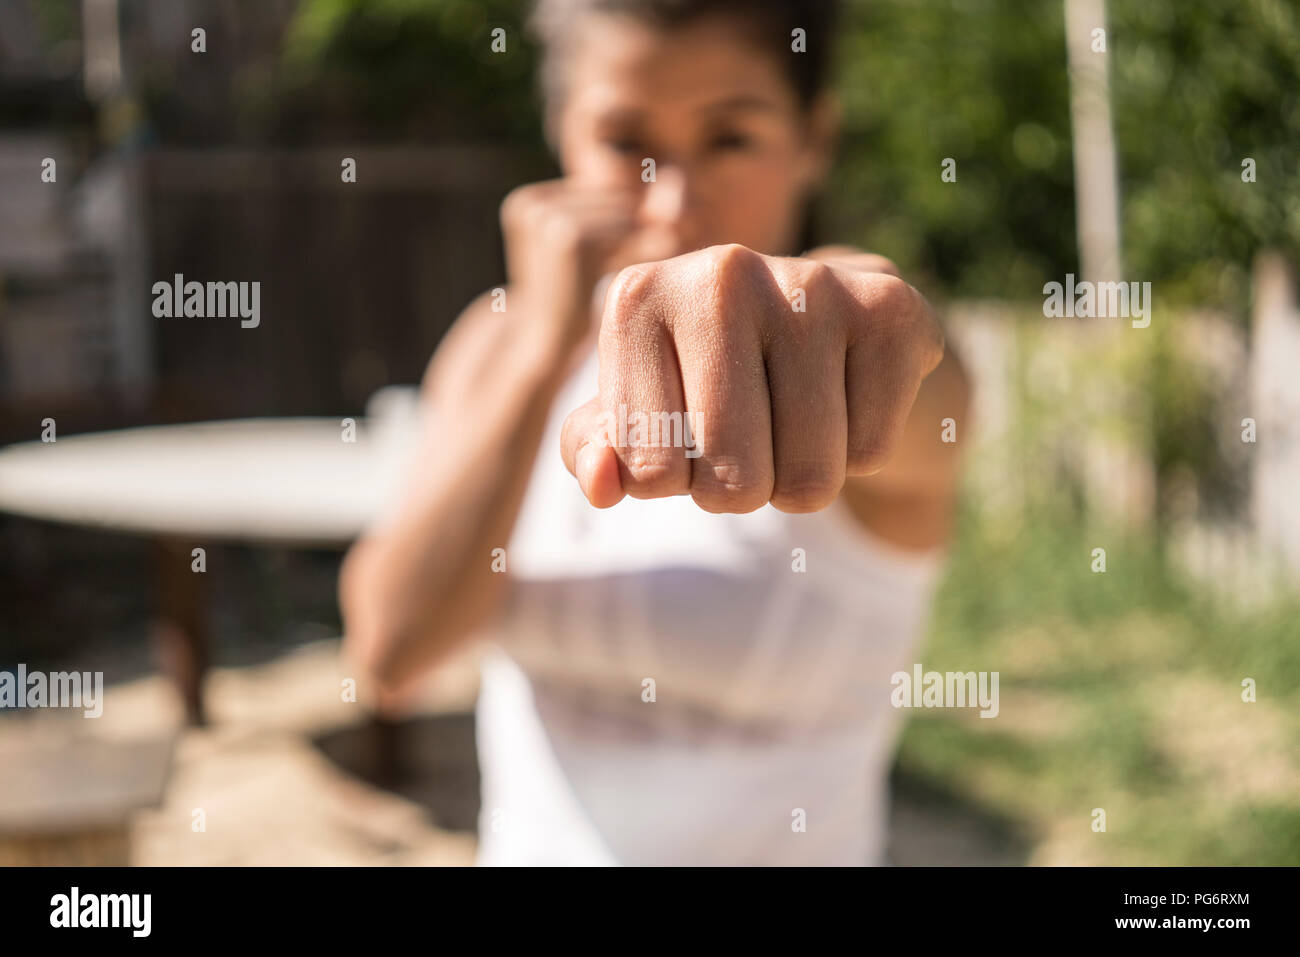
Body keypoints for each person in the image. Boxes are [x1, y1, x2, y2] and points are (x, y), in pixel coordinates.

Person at [339, 0, 971, 865]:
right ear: (560, 131)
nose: (672, 200)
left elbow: (912, 375)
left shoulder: (850, 343)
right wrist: (537, 351)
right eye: (624, 141)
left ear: (812, 137)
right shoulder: (494, 340)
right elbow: (390, 657)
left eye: (730, 139)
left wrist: (850, 313)